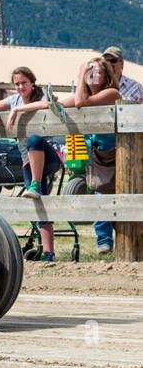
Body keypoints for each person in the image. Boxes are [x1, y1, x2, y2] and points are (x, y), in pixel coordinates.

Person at [0, 67, 64, 262]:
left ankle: (35, 184)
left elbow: (46, 105)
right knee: (38, 202)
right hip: (28, 159)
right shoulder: (13, 100)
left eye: (24, 82)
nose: (20, 87)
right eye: (17, 84)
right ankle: (49, 253)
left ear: (32, 82)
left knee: (34, 139)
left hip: (49, 153)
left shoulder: (42, 94)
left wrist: (17, 110)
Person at [77, 53, 128, 253]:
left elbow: (81, 102)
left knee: (121, 194)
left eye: (98, 71)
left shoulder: (112, 93)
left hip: (119, 153)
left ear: (107, 75)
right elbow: (60, 105)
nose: (92, 74)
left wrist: (81, 72)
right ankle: (104, 241)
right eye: (90, 70)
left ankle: (118, 240)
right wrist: (13, 110)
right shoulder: (86, 95)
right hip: (99, 154)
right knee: (100, 192)